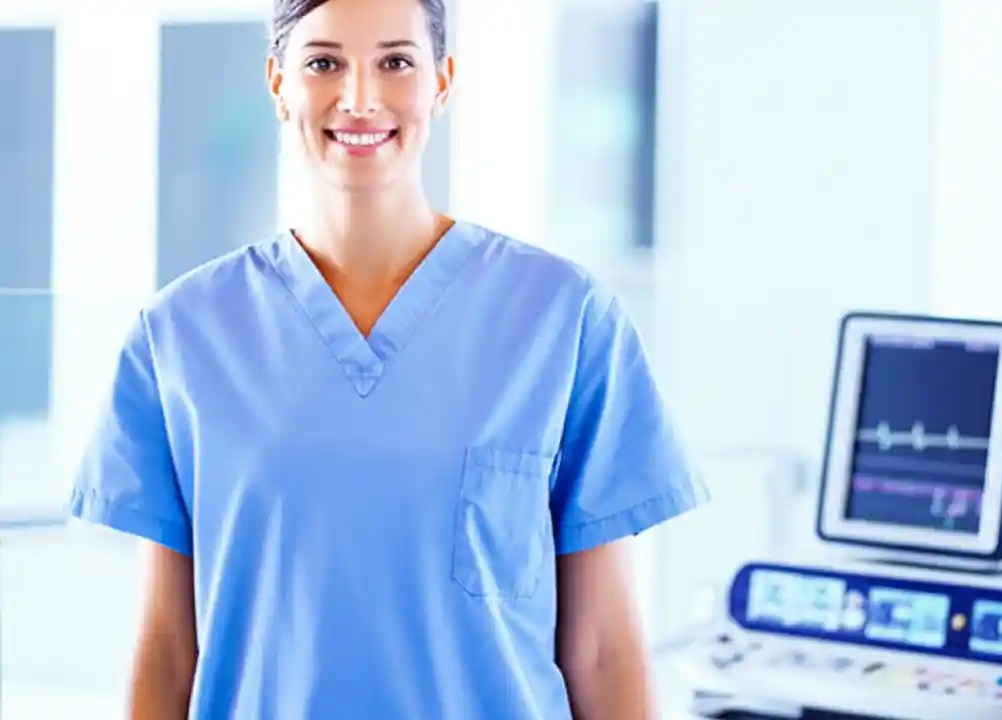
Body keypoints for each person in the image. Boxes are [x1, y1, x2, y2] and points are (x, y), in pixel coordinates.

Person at [65, 0, 709, 717]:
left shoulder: (564, 317)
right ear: (278, 82)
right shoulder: (181, 335)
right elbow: (166, 652)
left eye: (396, 61)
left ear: (442, 81)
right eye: (324, 63)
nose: (361, 98)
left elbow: (603, 649)